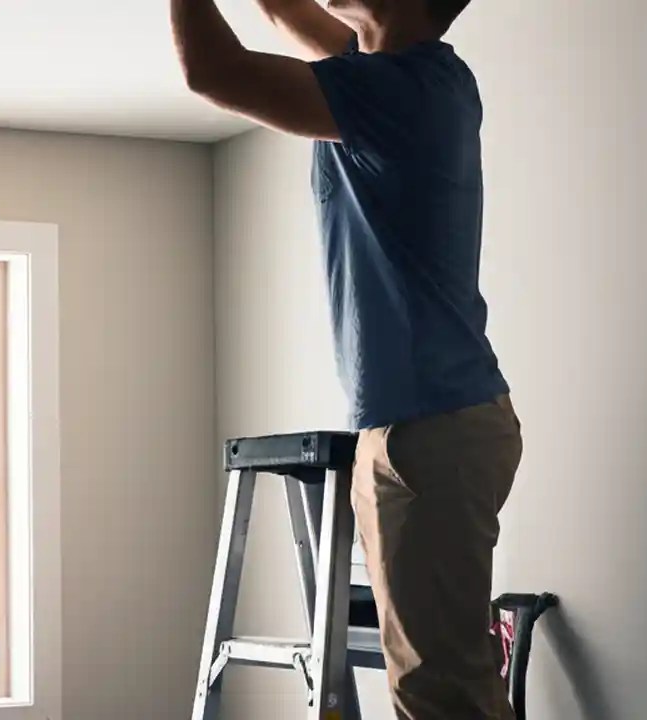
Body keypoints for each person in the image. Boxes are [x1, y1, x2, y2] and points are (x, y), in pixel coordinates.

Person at [170, 0, 522, 718]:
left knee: (438, 693)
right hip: (421, 424)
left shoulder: (397, 94)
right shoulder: (415, 74)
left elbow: (214, 72)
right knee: (431, 681)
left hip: (432, 429)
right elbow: (286, 13)